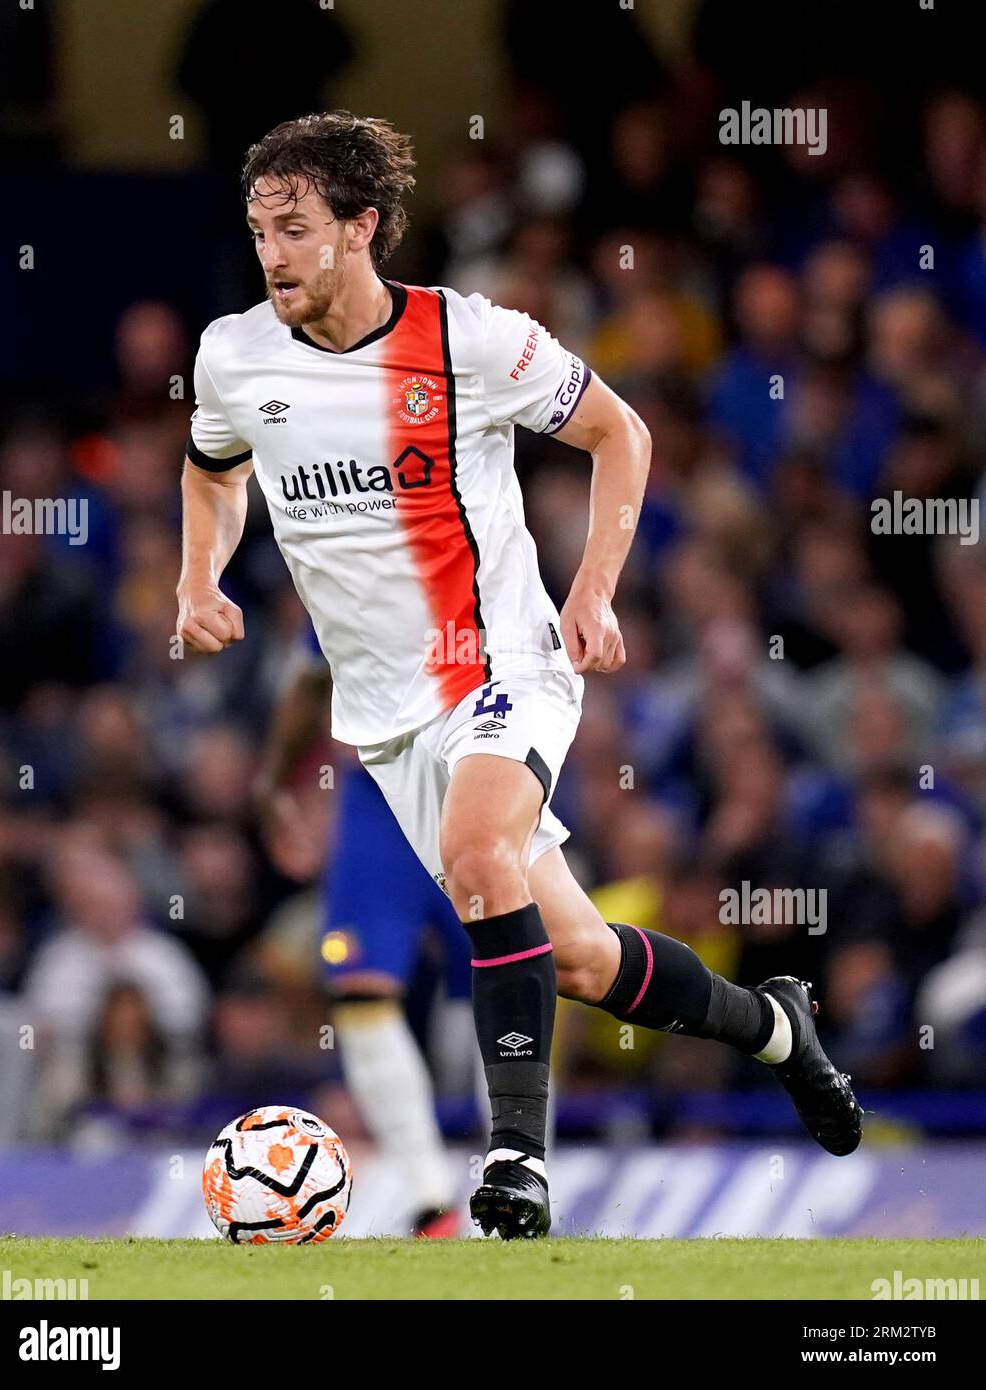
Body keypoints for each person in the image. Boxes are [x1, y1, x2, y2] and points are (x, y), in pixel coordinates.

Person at [176, 111, 862, 1239]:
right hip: (386, 718)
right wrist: (201, 578)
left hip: (503, 664)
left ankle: (515, 1164)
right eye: (259, 232)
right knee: (583, 956)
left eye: (294, 230)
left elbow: (620, 432)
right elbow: (212, 466)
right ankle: (777, 1027)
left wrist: (592, 587)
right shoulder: (234, 355)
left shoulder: (472, 338)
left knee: (479, 853)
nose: (273, 255)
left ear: (362, 228)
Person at [257, 623, 480, 1237]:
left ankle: (524, 1177)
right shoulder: (342, 541)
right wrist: (278, 779)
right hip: (378, 793)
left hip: (478, 775)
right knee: (361, 988)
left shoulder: (486, 545)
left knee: (513, 975)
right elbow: (312, 677)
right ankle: (431, 1202)